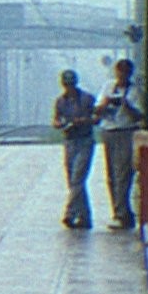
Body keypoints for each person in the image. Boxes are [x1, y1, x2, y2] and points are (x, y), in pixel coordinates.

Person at [94, 57, 145, 228]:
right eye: (119, 72)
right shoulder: (108, 87)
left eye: (125, 73)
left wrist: (125, 104)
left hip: (126, 131)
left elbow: (139, 115)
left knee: (122, 173)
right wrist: (106, 102)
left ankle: (122, 213)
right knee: (111, 175)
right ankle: (119, 210)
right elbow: (97, 110)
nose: (121, 76)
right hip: (109, 131)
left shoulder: (135, 91)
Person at [52, 69, 98, 228]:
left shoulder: (87, 99)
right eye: (66, 85)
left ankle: (69, 213)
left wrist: (83, 120)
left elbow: (97, 118)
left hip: (85, 140)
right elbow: (56, 119)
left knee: (78, 177)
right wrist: (59, 124)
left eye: (71, 84)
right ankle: (85, 217)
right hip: (69, 141)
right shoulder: (60, 101)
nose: (69, 88)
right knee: (73, 180)